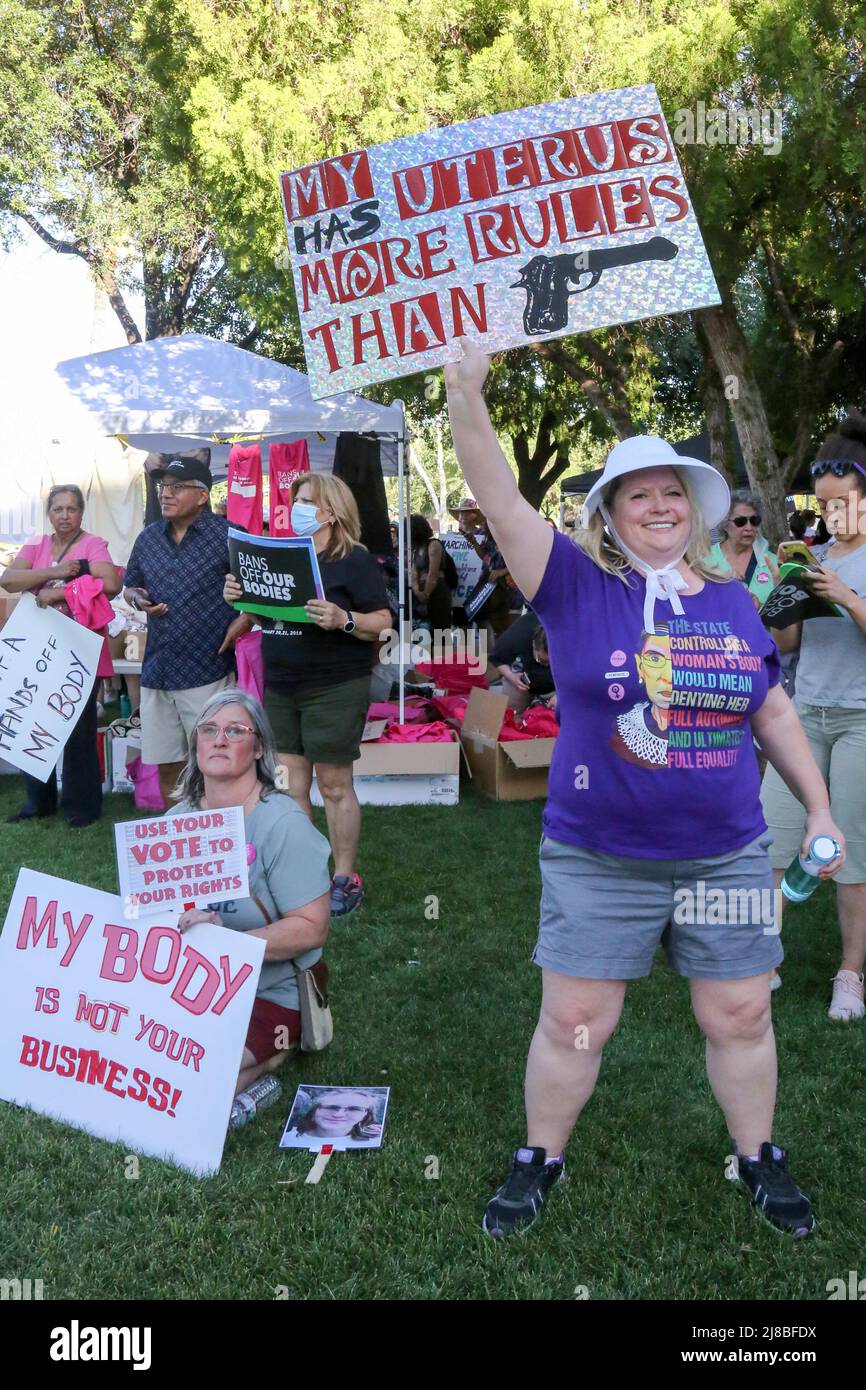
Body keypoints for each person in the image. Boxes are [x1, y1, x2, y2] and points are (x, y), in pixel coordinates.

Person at [445, 337, 845, 1241]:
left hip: (729, 853)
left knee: (741, 1011)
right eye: (639, 494)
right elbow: (502, 501)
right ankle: (539, 1157)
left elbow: (771, 711)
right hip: (600, 857)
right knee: (577, 1017)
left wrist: (818, 807)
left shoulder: (731, 598)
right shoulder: (576, 585)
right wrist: (467, 393)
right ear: (612, 514)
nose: (659, 505)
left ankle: (756, 1157)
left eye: (673, 492)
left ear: (694, 509)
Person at [224, 474, 391, 917]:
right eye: (294, 499)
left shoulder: (353, 560)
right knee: (291, 784)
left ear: (331, 512)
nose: (294, 507)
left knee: (335, 785)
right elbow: (266, 613)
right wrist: (241, 599)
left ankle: (345, 876)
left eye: (304, 501)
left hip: (335, 685)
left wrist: (344, 618)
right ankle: (306, 873)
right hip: (282, 683)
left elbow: (383, 622)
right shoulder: (285, 555)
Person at [761, 410, 866, 1020]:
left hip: (860, 720)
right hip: (805, 714)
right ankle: (763, 958)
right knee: (771, 840)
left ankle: (851, 975)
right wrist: (787, 590)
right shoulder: (818, 554)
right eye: (823, 504)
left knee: (851, 857)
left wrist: (848, 596)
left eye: (842, 503)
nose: (831, 515)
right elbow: (787, 645)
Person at [175, 689, 330, 1095]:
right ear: (197, 742)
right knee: (158, 1064)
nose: (219, 739)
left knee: (206, 1079)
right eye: (208, 729)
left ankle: (275, 1054)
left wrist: (224, 942)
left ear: (258, 747)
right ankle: (259, 1064)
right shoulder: (177, 821)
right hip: (183, 986)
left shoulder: (282, 824)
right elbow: (146, 916)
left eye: (235, 730)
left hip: (268, 991)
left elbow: (311, 929)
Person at [122, 456, 249, 809]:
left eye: (177, 487)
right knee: (167, 765)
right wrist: (138, 599)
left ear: (202, 496)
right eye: (164, 487)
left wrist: (246, 619)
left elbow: (260, 587)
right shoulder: (148, 539)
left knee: (216, 764)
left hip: (206, 668)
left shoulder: (229, 535)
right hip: (158, 670)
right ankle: (183, 838)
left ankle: (221, 839)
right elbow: (129, 586)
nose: (166, 494)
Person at [3, 484, 121, 827]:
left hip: (77, 651)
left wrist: (58, 595)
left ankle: (81, 807)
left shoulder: (93, 544)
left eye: (71, 509)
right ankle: (37, 803)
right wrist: (57, 573)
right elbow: (9, 579)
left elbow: (110, 583)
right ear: (49, 513)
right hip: (37, 647)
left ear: (81, 513)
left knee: (77, 729)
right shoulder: (37, 545)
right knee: (30, 723)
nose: (64, 515)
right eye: (58, 509)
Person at [450, 496, 513, 638]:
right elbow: (486, 557)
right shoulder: (488, 533)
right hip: (488, 583)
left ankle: (500, 655)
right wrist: (473, 543)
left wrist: (500, 572)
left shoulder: (509, 533)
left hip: (503, 586)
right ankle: (489, 655)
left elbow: (520, 560)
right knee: (480, 618)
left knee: (499, 624)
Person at [709, 490, 778, 606]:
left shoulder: (773, 563)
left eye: (754, 521)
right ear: (724, 524)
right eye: (740, 521)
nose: (749, 527)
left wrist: (759, 608)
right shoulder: (704, 560)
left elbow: (788, 619)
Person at [491, 613, 554, 714]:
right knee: (508, 715)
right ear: (533, 644)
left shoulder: (575, 638)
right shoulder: (517, 635)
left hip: (560, 685)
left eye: (553, 662)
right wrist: (512, 677)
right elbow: (495, 658)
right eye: (542, 661)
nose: (547, 666)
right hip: (521, 679)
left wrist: (561, 695)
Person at [288, 1088, 384, 1145]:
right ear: (314, 1110)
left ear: (365, 1115)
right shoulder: (288, 1139)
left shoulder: (373, 1142)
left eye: (354, 1109)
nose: (338, 1114)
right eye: (331, 1107)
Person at [410, 514, 454, 632]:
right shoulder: (416, 549)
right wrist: (417, 591)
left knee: (441, 631)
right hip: (422, 591)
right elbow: (414, 573)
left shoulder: (434, 545)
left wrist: (425, 594)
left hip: (438, 591)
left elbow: (433, 574)